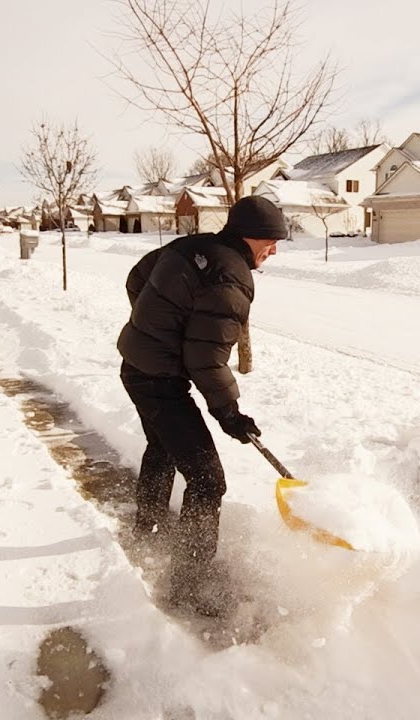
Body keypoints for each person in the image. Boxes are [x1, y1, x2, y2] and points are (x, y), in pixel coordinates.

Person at [116, 195, 286, 615]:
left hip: (137, 366)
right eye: (270, 241)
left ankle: (148, 529)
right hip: (158, 381)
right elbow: (206, 358)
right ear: (249, 235)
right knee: (208, 480)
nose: (274, 250)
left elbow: (137, 279)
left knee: (163, 447)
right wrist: (228, 413)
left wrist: (155, 329)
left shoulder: (190, 245)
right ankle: (190, 583)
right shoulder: (231, 278)